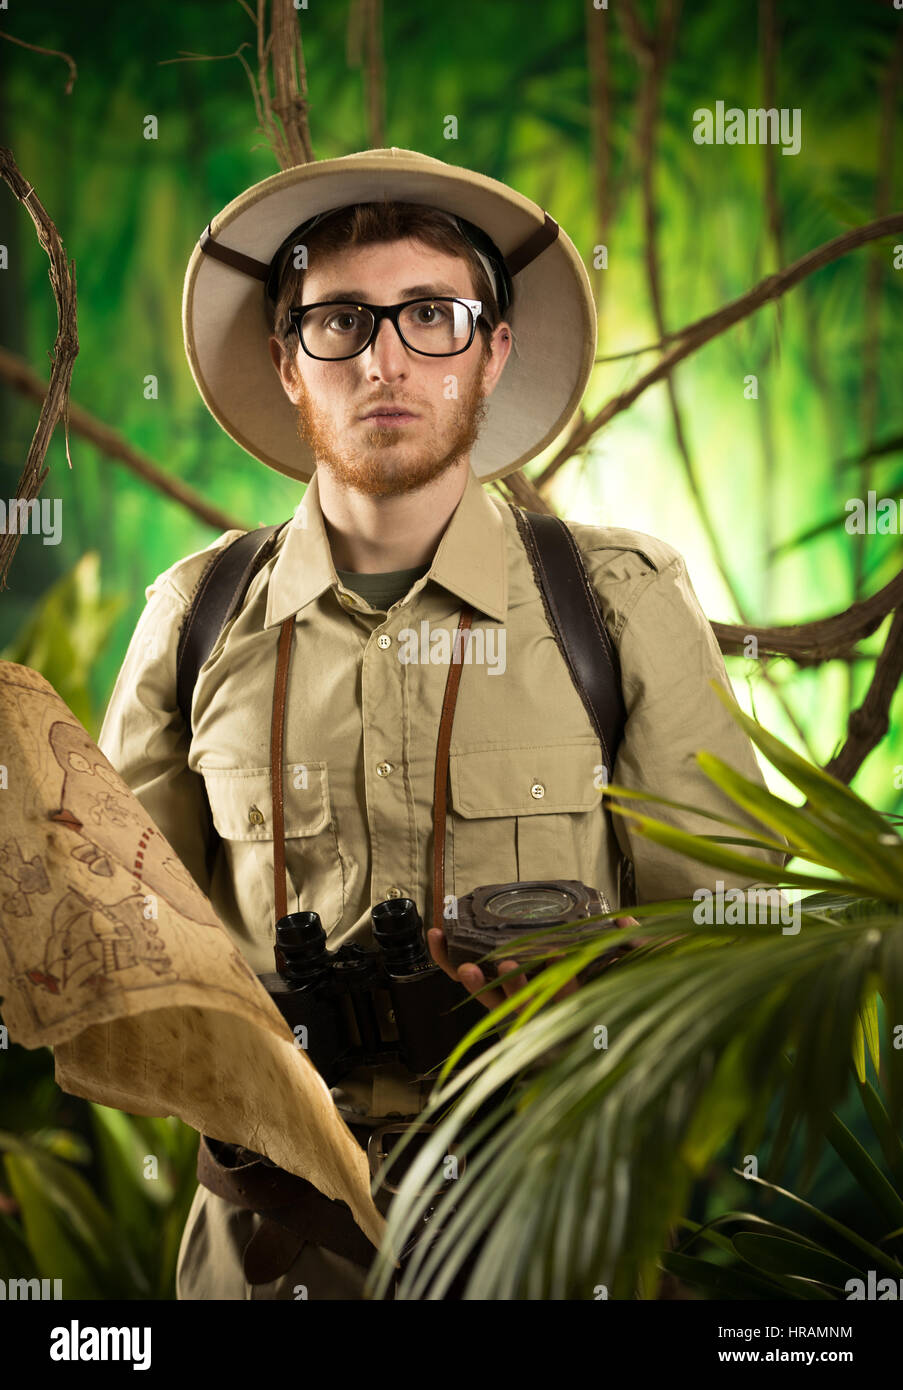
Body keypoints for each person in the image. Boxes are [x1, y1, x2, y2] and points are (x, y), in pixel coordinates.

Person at [98, 147, 787, 1300]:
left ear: (493, 348)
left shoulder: (615, 600)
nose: (384, 360)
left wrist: (595, 998)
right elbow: (118, 952)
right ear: (285, 360)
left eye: (432, 315)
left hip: (549, 1237)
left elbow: (736, 928)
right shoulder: (194, 618)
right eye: (340, 323)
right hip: (271, 1251)